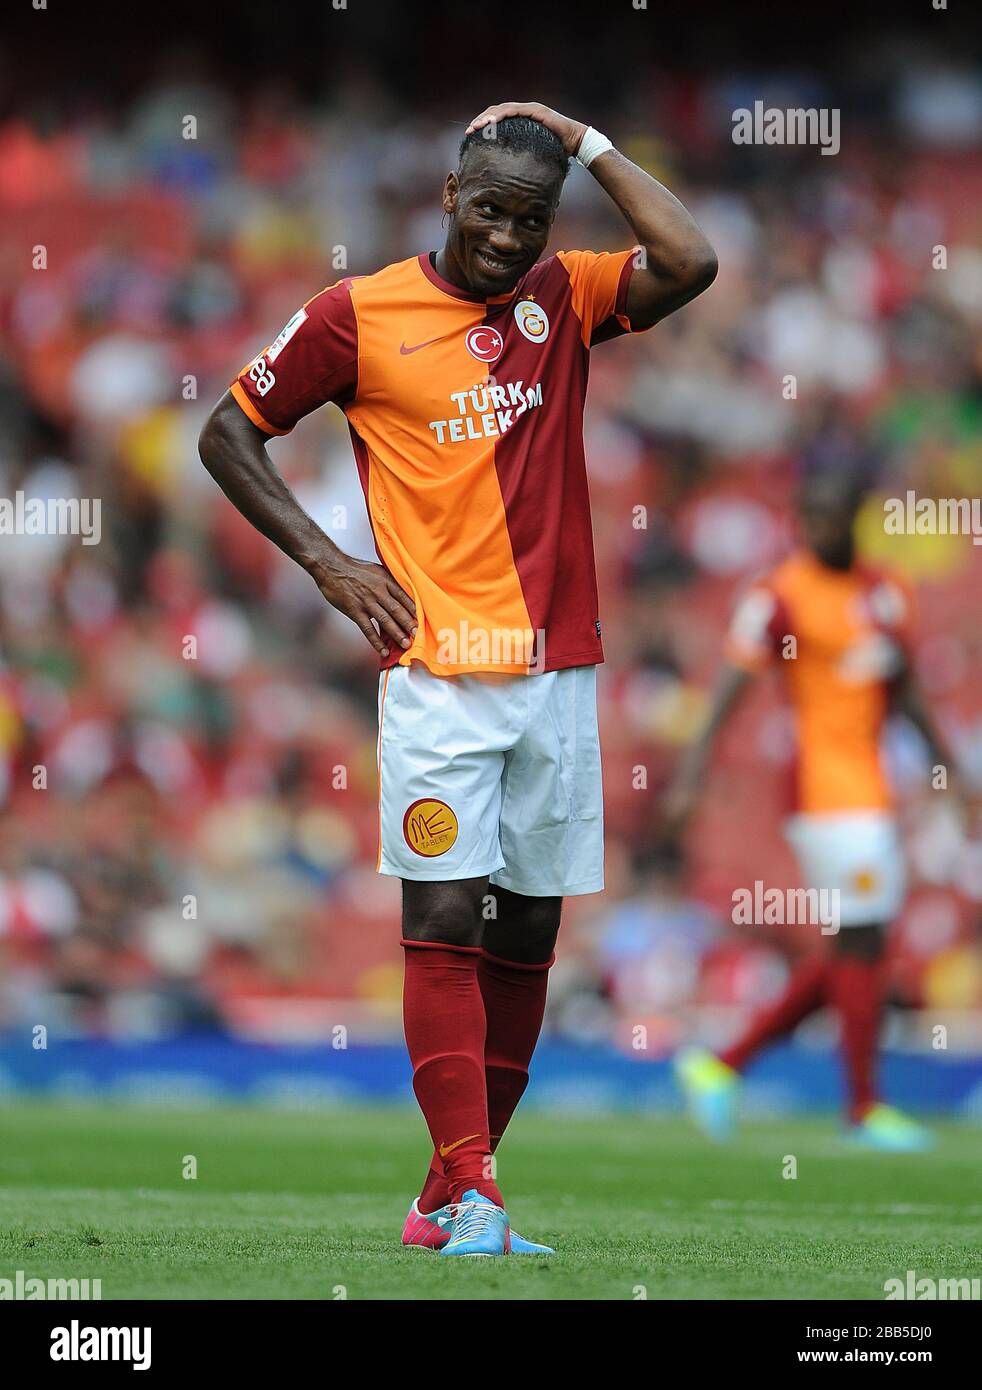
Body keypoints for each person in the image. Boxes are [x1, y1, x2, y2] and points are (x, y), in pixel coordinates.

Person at [199, 101, 717, 1255]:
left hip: (556, 671)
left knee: (526, 935)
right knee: (442, 913)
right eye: (488, 210)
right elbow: (228, 433)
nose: (506, 239)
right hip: (437, 670)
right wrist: (328, 563)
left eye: (530, 221)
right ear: (447, 195)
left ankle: (448, 1193)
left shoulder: (565, 295)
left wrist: (584, 144)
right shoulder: (358, 313)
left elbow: (692, 259)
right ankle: (476, 1192)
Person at [667, 470, 955, 1151]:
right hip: (823, 794)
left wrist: (958, 774)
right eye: (809, 517)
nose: (818, 529)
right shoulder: (779, 597)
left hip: (873, 790)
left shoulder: (885, 593)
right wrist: (692, 772)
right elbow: (730, 688)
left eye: (830, 515)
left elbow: (907, 691)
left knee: (860, 944)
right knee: (863, 938)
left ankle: (721, 1065)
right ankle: (861, 1110)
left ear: (853, 515)